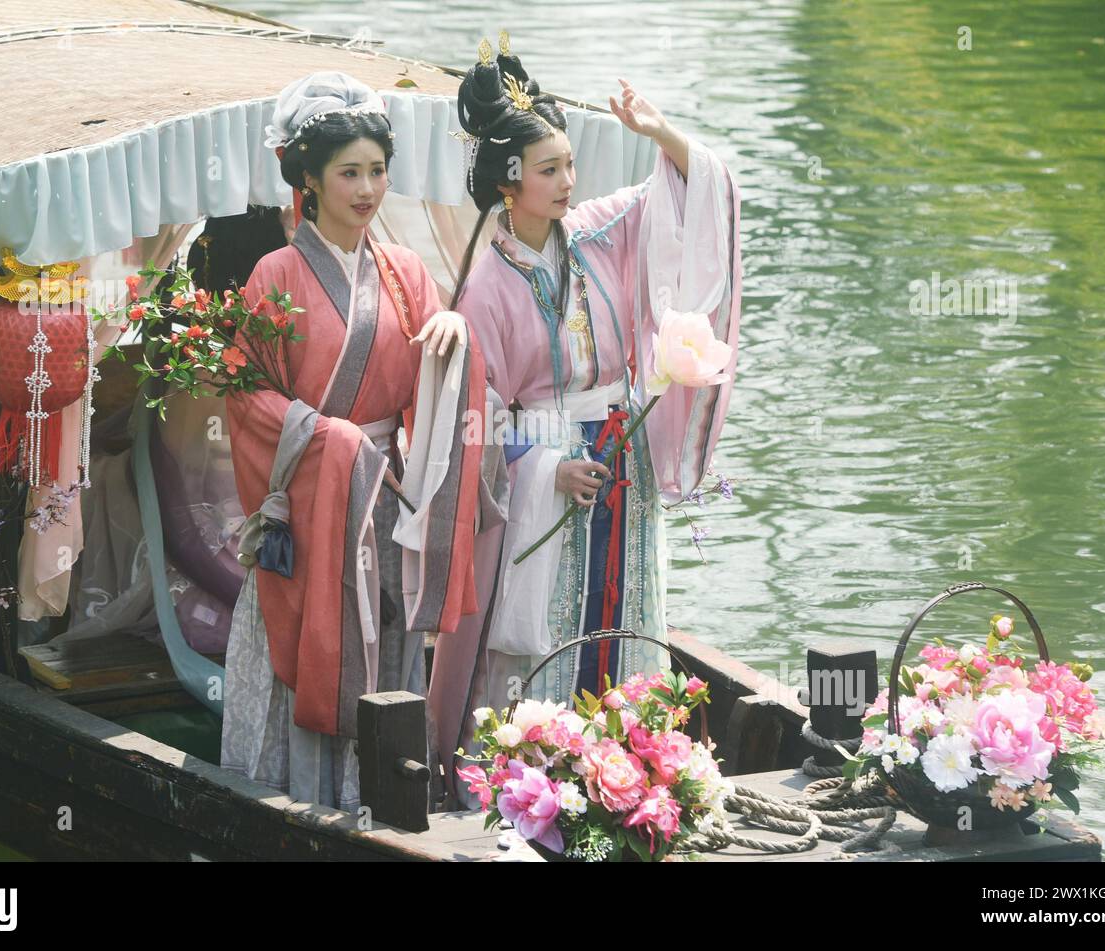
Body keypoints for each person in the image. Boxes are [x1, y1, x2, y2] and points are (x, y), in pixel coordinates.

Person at [428, 36, 742, 805]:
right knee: (549, 634)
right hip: (550, 479)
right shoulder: (485, 290)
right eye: (550, 170)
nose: (570, 181)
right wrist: (545, 468)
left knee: (624, 612)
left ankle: (627, 775)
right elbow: (481, 422)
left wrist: (662, 133)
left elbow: (685, 198)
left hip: (618, 461)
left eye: (570, 165)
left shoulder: (597, 234)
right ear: (510, 182)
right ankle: (537, 786)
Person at [220, 72, 486, 810]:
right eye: (349, 173)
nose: (368, 188)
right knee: (309, 650)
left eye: (377, 171)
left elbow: (432, 385)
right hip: (314, 506)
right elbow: (246, 399)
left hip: (383, 500)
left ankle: (385, 800)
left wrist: (455, 338)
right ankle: (294, 805)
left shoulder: (403, 273)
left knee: (386, 644)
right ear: (309, 178)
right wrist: (327, 440)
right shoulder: (275, 273)